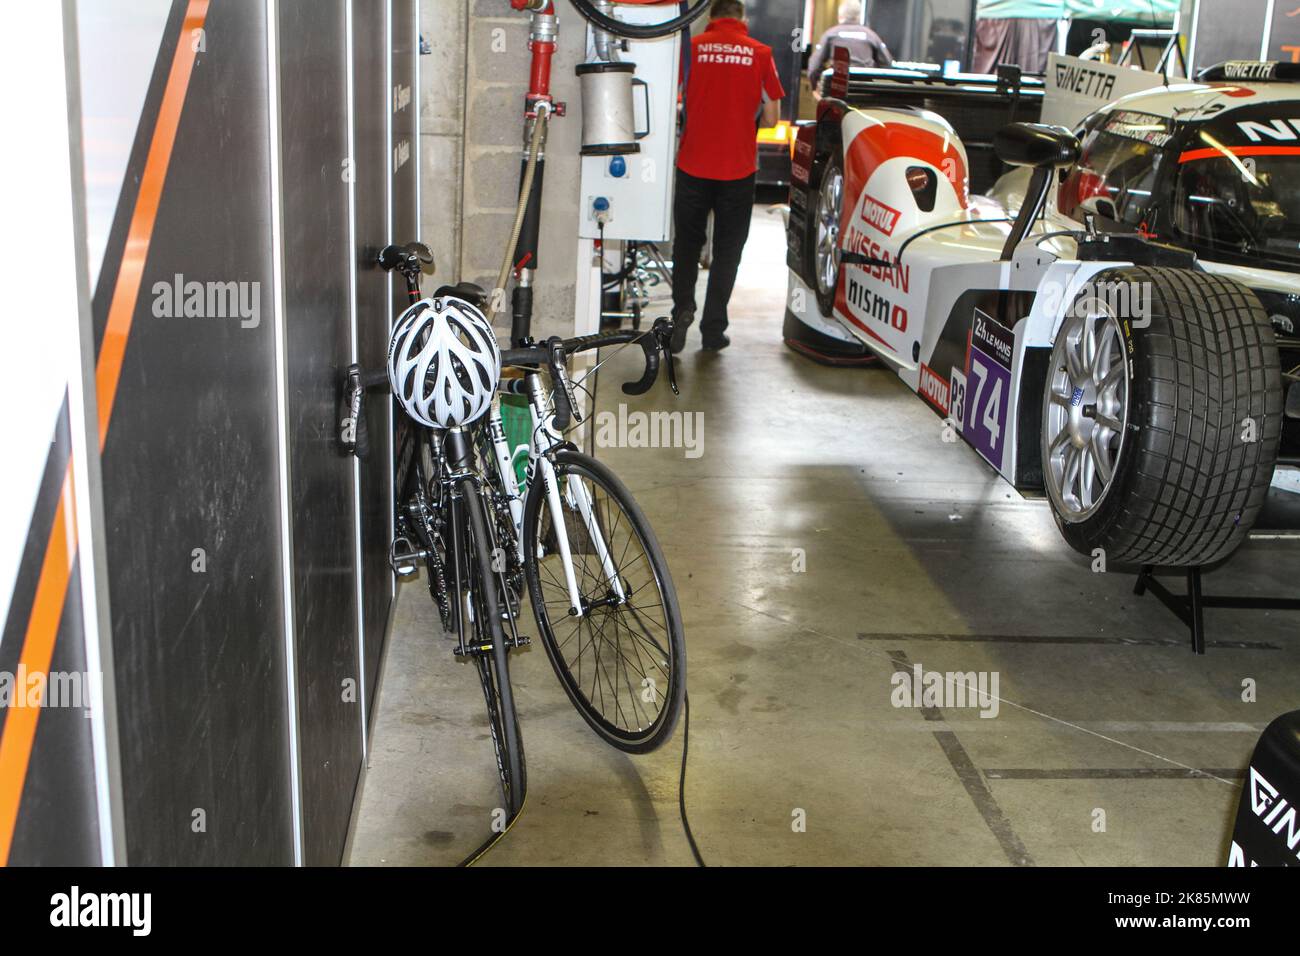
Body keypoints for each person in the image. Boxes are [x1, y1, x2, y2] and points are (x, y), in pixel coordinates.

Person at [670, 0, 784, 353]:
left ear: (711, 17)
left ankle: (681, 313)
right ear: (742, 19)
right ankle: (713, 328)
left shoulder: (689, 50)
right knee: (728, 251)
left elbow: (673, 101)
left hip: (692, 165)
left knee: (687, 246)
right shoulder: (761, 53)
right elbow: (770, 119)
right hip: (737, 170)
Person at [807, 0, 893, 98]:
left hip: (837, 91)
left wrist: (815, 88)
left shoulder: (830, 34)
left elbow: (814, 66)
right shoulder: (871, 36)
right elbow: (887, 63)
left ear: (840, 16)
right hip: (865, 93)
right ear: (859, 17)